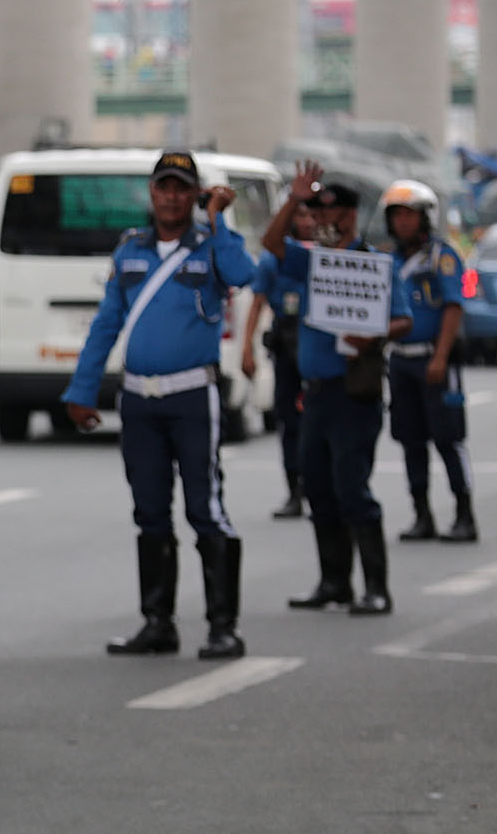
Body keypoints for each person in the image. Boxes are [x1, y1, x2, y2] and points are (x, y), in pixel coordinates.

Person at [62, 151, 256, 661]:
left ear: (195, 194)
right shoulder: (130, 250)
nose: (171, 197)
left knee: (204, 508)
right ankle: (157, 623)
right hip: (140, 402)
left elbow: (243, 273)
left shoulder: (212, 244)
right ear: (151, 193)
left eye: (182, 188)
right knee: (149, 510)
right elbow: (106, 323)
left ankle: (222, 627)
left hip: (192, 397)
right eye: (163, 187)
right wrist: (81, 392)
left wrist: (218, 220)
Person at [260, 164, 412, 615]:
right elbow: (271, 245)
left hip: (354, 391)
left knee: (352, 489)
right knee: (319, 489)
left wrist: (376, 334)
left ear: (350, 214)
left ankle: (376, 587)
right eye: (317, 211)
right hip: (317, 393)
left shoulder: (375, 264)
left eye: (330, 211)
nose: (323, 219)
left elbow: (405, 319)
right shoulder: (313, 259)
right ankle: (334, 582)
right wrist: (293, 199)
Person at [382, 180, 476, 543]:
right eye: (397, 216)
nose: (403, 223)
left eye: (409, 215)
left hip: (435, 361)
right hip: (401, 362)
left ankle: (464, 514)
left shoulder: (442, 255)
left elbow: (454, 306)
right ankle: (422, 514)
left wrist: (440, 356)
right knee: (409, 439)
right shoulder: (388, 260)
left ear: (425, 217)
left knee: (448, 438)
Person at [242, 201, 319, 518]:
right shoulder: (277, 256)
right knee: (289, 421)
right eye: (300, 214)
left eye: (313, 214)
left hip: (319, 344)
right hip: (287, 345)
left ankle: (320, 491)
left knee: (319, 422)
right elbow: (257, 301)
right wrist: (246, 348)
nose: (308, 221)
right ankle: (294, 492)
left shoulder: (331, 254)